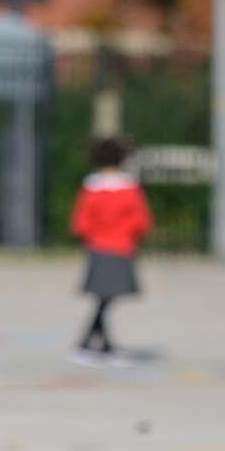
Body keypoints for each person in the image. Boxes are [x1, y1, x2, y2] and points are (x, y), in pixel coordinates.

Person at [69, 136, 153, 366]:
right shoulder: (129, 188)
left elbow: (81, 223)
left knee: (103, 298)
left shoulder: (92, 187)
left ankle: (98, 344)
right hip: (122, 247)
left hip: (98, 247)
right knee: (105, 299)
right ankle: (90, 344)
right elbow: (142, 221)